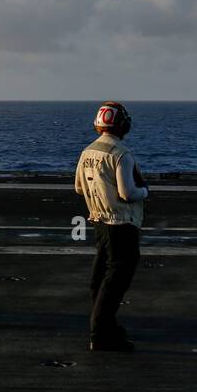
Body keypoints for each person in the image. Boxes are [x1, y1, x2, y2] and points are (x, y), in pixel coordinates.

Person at [75, 101, 148, 351]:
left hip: (99, 221)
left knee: (101, 277)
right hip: (122, 224)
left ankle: (106, 326)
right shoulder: (121, 154)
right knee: (116, 278)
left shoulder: (87, 152)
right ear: (121, 125)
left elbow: (78, 187)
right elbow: (127, 193)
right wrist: (145, 191)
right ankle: (101, 333)